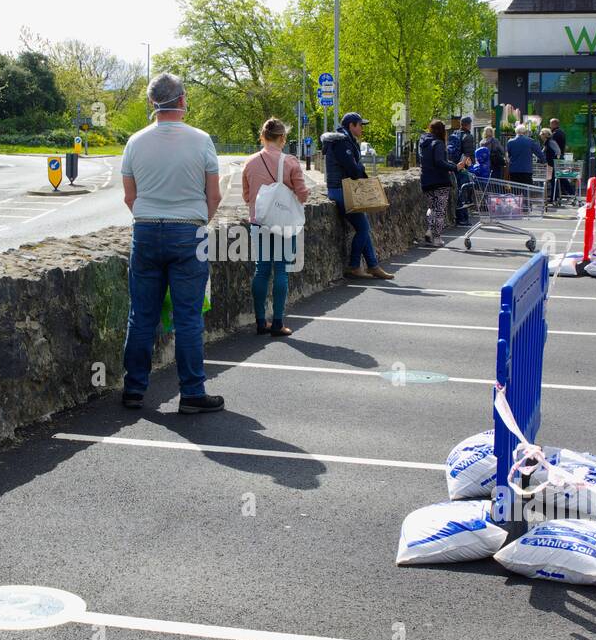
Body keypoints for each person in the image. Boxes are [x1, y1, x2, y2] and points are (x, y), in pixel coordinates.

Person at [120, 73, 224, 414]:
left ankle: (134, 390)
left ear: (153, 103)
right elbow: (214, 195)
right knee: (189, 316)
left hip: (146, 231)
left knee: (141, 316)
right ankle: (192, 393)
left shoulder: (134, 142)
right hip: (189, 232)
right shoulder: (202, 140)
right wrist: (196, 222)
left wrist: (151, 218)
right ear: (182, 100)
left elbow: (129, 197)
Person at [241, 117, 310, 336]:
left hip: (259, 222)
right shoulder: (290, 162)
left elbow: (246, 195)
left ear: (262, 137)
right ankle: (278, 323)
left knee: (262, 269)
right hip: (283, 223)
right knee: (281, 270)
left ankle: (261, 322)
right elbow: (303, 195)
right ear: (282, 138)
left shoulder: (250, 162)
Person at [321, 112, 394, 280]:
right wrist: (362, 173)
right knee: (363, 228)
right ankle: (354, 266)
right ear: (351, 126)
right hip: (341, 190)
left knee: (364, 227)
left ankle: (373, 266)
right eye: (360, 125)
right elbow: (353, 169)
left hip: (339, 189)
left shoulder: (342, 140)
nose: (362, 128)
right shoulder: (341, 142)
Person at [420, 119, 465, 245]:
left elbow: (434, 161)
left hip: (426, 180)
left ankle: (430, 230)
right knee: (440, 210)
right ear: (442, 131)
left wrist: (452, 164)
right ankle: (437, 238)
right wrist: (455, 167)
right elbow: (439, 162)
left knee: (432, 208)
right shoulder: (438, 143)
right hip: (440, 180)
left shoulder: (424, 143)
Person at [541, 129, 561, 204]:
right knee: (552, 181)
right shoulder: (547, 143)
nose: (540, 135)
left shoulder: (551, 142)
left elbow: (558, 152)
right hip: (549, 164)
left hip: (552, 164)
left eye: (542, 134)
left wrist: (556, 160)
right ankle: (553, 197)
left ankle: (554, 197)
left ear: (545, 135)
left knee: (553, 181)